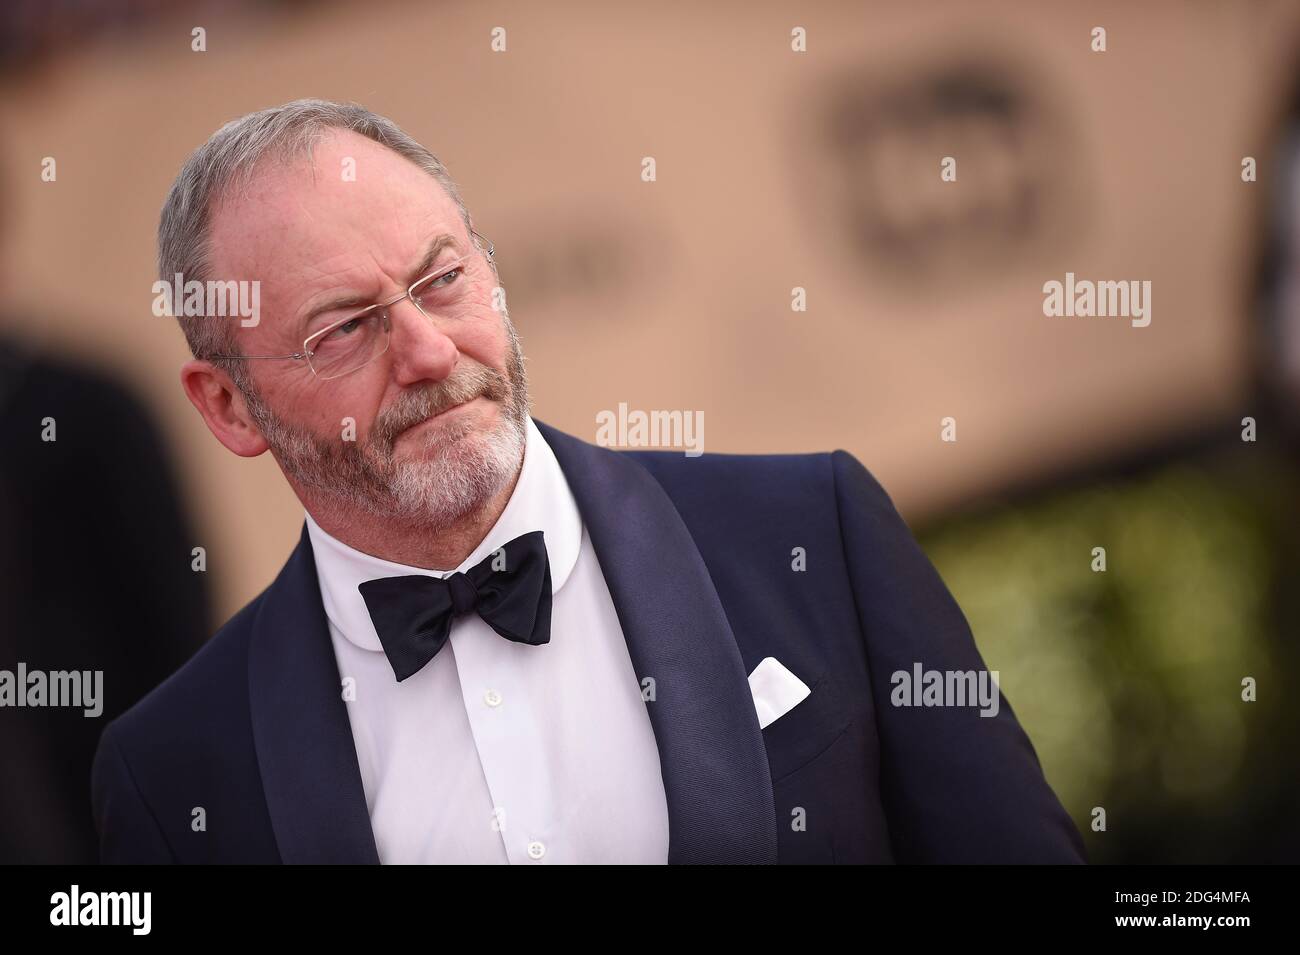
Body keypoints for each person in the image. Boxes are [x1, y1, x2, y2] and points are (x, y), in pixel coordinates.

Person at [91, 99, 1084, 864]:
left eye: (441, 281)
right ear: (228, 407)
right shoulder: (172, 766)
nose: (430, 351)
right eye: (346, 326)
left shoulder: (812, 533)